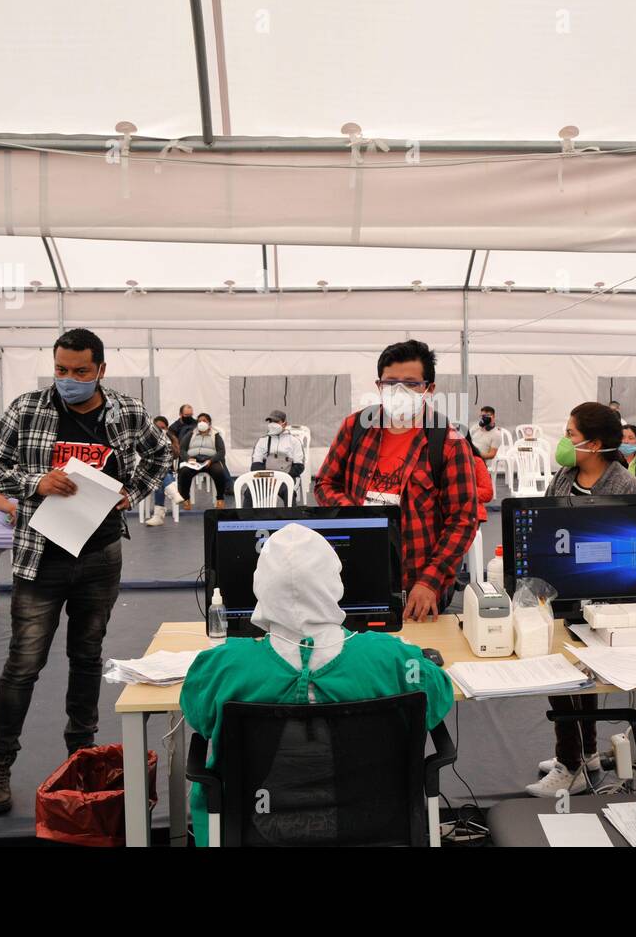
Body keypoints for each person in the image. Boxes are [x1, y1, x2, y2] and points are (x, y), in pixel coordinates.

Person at [0, 328, 171, 815]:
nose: (69, 380)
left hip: (100, 555)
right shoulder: (27, 408)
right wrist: (35, 481)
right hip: (39, 557)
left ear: (101, 370)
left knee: (87, 658)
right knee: (23, 665)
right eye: (61, 370)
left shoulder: (126, 411)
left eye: (81, 372)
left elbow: (160, 454)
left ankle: (80, 756)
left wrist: (133, 492)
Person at [179, 523, 453, 845]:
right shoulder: (389, 658)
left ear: (261, 587)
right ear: (334, 583)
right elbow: (437, 696)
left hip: (257, 830)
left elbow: (198, 714)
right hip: (371, 829)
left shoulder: (225, 666)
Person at [316, 339, 477, 619]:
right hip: (354, 569)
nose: (399, 391)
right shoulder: (356, 427)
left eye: (411, 383)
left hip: (418, 583)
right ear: (379, 386)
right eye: (391, 383)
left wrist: (430, 580)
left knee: (417, 655)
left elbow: (463, 519)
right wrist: (356, 514)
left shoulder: (448, 442)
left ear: (429, 389)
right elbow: (325, 483)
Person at [530, 402, 636, 797]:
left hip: (604, 602)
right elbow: (542, 524)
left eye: (571, 435)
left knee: (577, 682)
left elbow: (630, 545)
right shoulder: (563, 477)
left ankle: (570, 765)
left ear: (594, 444)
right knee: (563, 676)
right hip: (561, 595)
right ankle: (587, 754)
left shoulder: (624, 485)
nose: (564, 442)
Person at [174, 412, 232, 510]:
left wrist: (212, 460)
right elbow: (182, 449)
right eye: (200, 421)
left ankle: (220, 499)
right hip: (194, 461)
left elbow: (221, 451)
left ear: (209, 423)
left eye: (204, 421)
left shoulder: (215, 435)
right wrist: (188, 458)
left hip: (210, 460)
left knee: (219, 472)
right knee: (184, 472)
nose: (202, 422)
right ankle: (186, 499)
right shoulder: (191, 434)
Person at [250, 409, 305, 505]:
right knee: (249, 493)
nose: (272, 424)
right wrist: (268, 478)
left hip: (286, 477)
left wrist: (281, 478)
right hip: (266, 479)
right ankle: (246, 519)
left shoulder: (294, 442)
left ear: (284, 423)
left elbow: (299, 467)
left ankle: (291, 518)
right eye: (270, 421)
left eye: (276, 422)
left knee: (289, 493)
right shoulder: (262, 441)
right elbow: (255, 466)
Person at [144, 415, 181, 526]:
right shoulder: (146, 438)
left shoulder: (171, 438)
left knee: (160, 479)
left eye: (163, 428)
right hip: (149, 471)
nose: (160, 430)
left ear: (167, 428)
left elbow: (176, 455)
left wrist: (167, 444)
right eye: (157, 428)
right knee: (160, 475)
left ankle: (158, 516)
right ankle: (173, 492)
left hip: (166, 471)